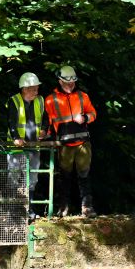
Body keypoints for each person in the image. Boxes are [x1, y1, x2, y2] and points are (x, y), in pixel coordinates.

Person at [44, 65, 97, 217]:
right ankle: (63, 207)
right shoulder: (50, 100)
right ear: (60, 81)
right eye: (67, 83)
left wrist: (86, 118)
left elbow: (93, 113)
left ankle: (87, 207)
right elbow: (46, 121)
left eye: (73, 82)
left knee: (84, 175)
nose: (70, 85)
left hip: (82, 142)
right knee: (64, 176)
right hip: (64, 144)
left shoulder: (83, 96)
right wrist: (44, 133)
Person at [6, 72, 50, 217]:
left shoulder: (40, 101)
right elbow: (11, 121)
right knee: (13, 177)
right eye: (33, 89)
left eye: (37, 89)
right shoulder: (14, 101)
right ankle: (12, 211)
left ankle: (28, 210)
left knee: (32, 179)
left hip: (34, 146)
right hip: (16, 148)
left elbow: (45, 119)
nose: (36, 92)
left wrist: (44, 130)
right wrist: (16, 138)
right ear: (24, 89)